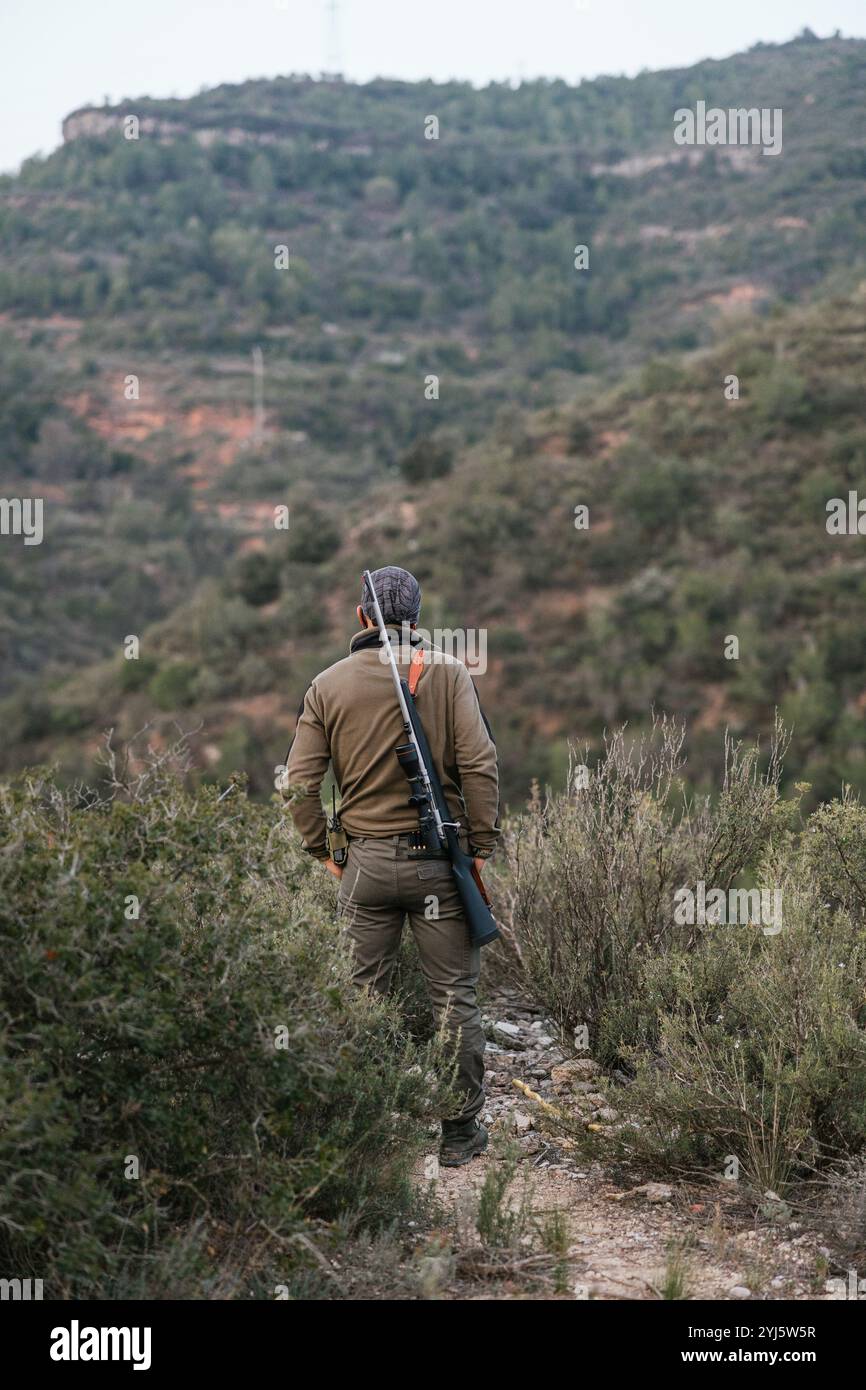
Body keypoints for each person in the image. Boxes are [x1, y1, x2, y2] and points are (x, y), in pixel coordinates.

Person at [283, 565, 500, 1166]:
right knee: (453, 997)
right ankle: (459, 1136)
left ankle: (364, 1131)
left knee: (361, 1000)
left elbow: (299, 787)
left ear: (361, 618)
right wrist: (479, 846)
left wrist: (321, 850)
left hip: (367, 868)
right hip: (438, 865)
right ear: (418, 620)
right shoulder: (450, 673)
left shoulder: (327, 685)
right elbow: (480, 767)